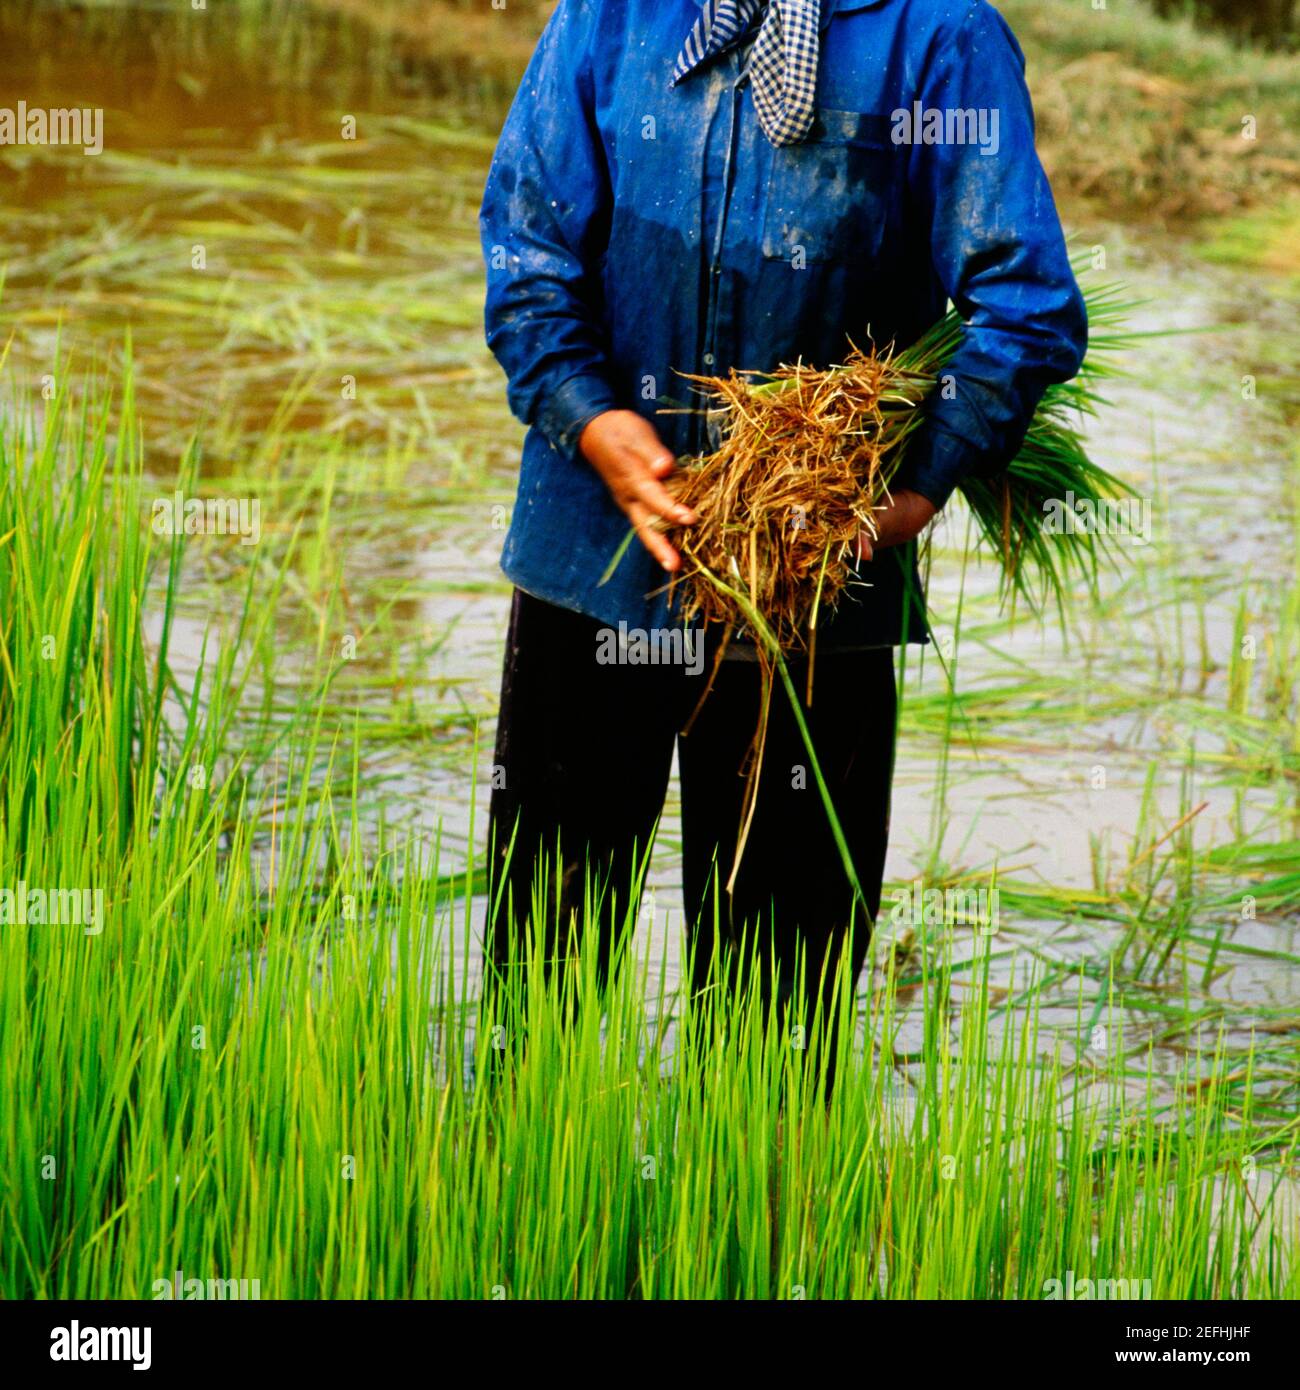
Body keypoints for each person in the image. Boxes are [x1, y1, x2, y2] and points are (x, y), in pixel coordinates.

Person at [477, 0, 1086, 1032]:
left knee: (778, 1012)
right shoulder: (609, 16)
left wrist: (911, 492)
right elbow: (528, 251)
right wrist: (590, 419)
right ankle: (528, 1187)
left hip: (813, 592)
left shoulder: (935, 36)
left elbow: (1023, 304)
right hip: (592, 562)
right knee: (539, 973)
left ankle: (759, 1194)